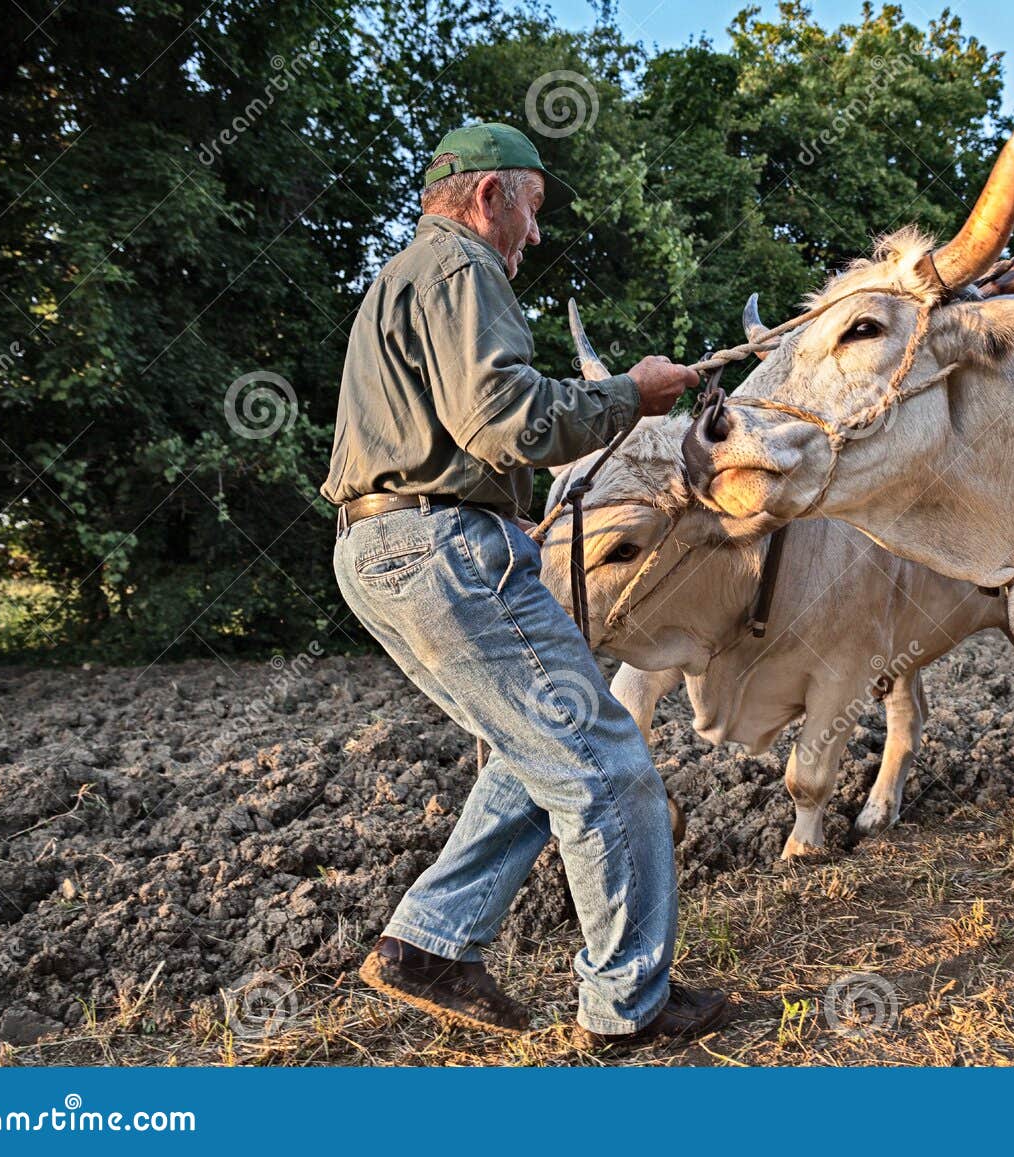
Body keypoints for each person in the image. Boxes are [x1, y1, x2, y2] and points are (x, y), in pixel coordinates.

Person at [321, 122, 726, 1049]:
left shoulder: (401, 281)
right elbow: (509, 421)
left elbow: (452, 435)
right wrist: (634, 392)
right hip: (442, 549)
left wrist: (499, 514)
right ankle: (631, 1006)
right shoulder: (466, 271)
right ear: (489, 196)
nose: (534, 237)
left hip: (379, 550)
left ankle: (430, 943)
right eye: (532, 211)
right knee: (604, 760)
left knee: (532, 751)